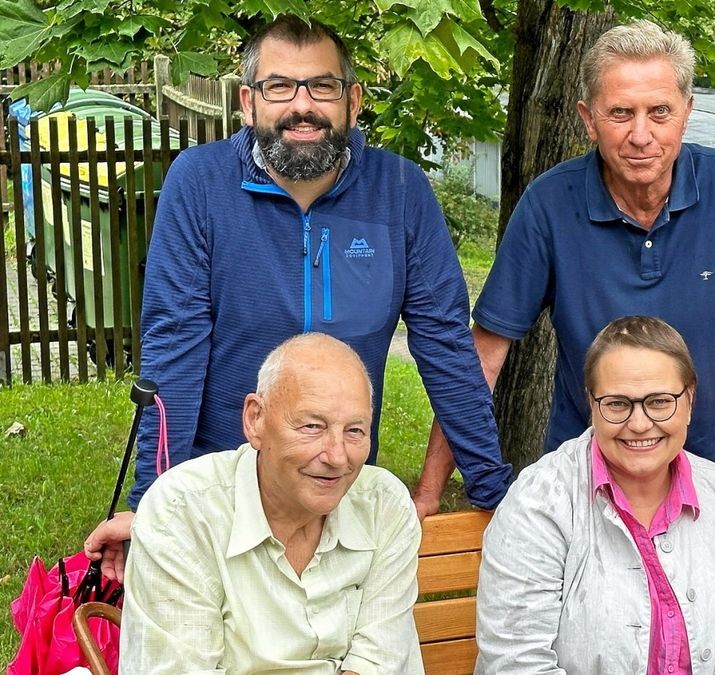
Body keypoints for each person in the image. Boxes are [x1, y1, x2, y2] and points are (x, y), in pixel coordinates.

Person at [85, 15, 510, 577]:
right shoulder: (200, 184)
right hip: (222, 488)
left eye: (323, 86)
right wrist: (152, 503)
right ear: (248, 102)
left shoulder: (401, 191)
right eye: (279, 86)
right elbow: (174, 352)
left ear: (353, 101)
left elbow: (447, 350)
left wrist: (494, 491)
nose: (301, 105)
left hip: (340, 484)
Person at [416, 20, 715, 513]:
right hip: (585, 486)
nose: (640, 135)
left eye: (659, 112)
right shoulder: (550, 204)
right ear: (588, 119)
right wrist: (430, 490)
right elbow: (483, 354)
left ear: (686, 113)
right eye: (620, 113)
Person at [474, 315, 715, 673]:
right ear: (591, 403)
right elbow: (516, 661)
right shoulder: (538, 503)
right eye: (617, 404)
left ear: (689, 400)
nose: (639, 424)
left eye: (659, 401)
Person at [120, 333, 424, 673]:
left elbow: (378, 661)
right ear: (256, 420)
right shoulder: (182, 513)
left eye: (355, 431)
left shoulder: (385, 506)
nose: (338, 457)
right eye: (313, 426)